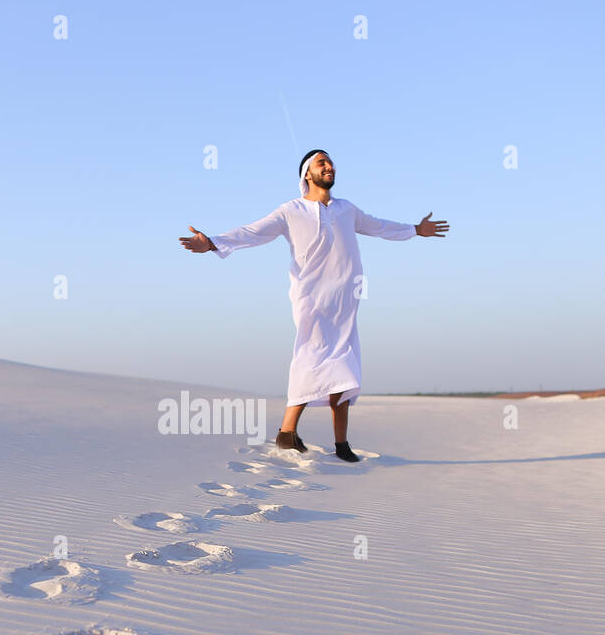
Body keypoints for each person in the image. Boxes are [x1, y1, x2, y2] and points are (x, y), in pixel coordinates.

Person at [179, 149, 448, 461]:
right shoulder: (290, 210)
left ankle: (341, 444)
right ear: (307, 174)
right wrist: (211, 242)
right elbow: (252, 232)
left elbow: (379, 226)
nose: (329, 166)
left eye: (330, 162)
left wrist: (415, 229)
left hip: (345, 301)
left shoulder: (347, 209)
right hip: (311, 299)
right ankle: (286, 432)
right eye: (322, 162)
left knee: (345, 367)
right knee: (312, 358)